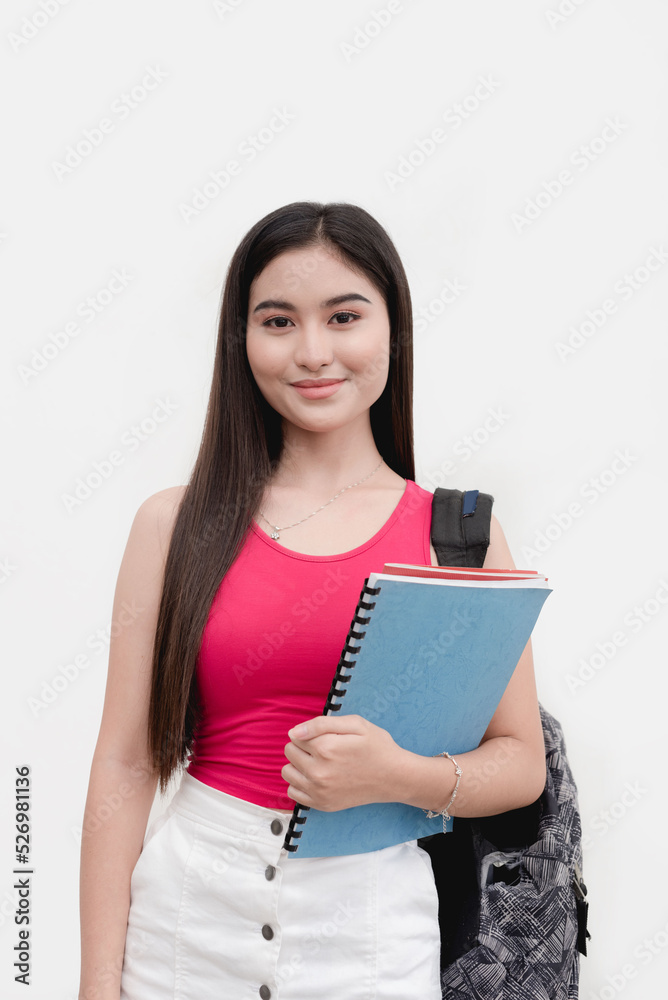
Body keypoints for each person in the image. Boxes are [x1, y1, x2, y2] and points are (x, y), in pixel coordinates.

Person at [78, 201, 547, 1000]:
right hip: (186, 930)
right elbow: (125, 762)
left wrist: (399, 774)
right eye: (278, 321)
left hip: (370, 937)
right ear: (242, 339)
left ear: (391, 331)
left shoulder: (459, 535)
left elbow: (521, 764)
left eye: (344, 316)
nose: (313, 352)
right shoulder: (174, 525)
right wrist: (96, 983)